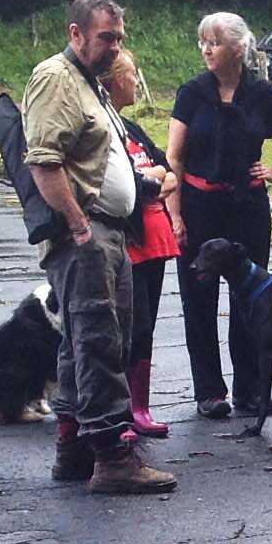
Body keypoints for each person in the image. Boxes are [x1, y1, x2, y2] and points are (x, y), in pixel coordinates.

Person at [21, 0, 176, 494]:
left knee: (89, 341)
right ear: (76, 33)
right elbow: (44, 161)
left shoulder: (90, 84)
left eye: (119, 39)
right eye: (106, 37)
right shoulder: (55, 79)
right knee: (98, 341)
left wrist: (138, 186)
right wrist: (79, 225)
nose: (115, 48)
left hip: (108, 228)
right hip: (85, 232)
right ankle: (112, 455)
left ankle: (73, 449)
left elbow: (97, 157)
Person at [168, 13, 272, 418]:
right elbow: (174, 157)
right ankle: (209, 392)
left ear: (238, 48)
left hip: (247, 207)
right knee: (199, 298)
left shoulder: (263, 93)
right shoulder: (191, 93)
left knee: (252, 299)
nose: (206, 49)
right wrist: (175, 215)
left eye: (213, 42)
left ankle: (251, 391)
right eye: (202, 42)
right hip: (199, 204)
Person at [106, 50, 181, 441]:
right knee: (126, 323)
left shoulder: (133, 128)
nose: (136, 81)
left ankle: (141, 406)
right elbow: (125, 185)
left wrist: (149, 178)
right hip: (126, 240)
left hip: (154, 238)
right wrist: (148, 181)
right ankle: (120, 409)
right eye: (132, 74)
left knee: (147, 323)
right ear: (115, 79)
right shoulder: (106, 129)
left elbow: (167, 175)